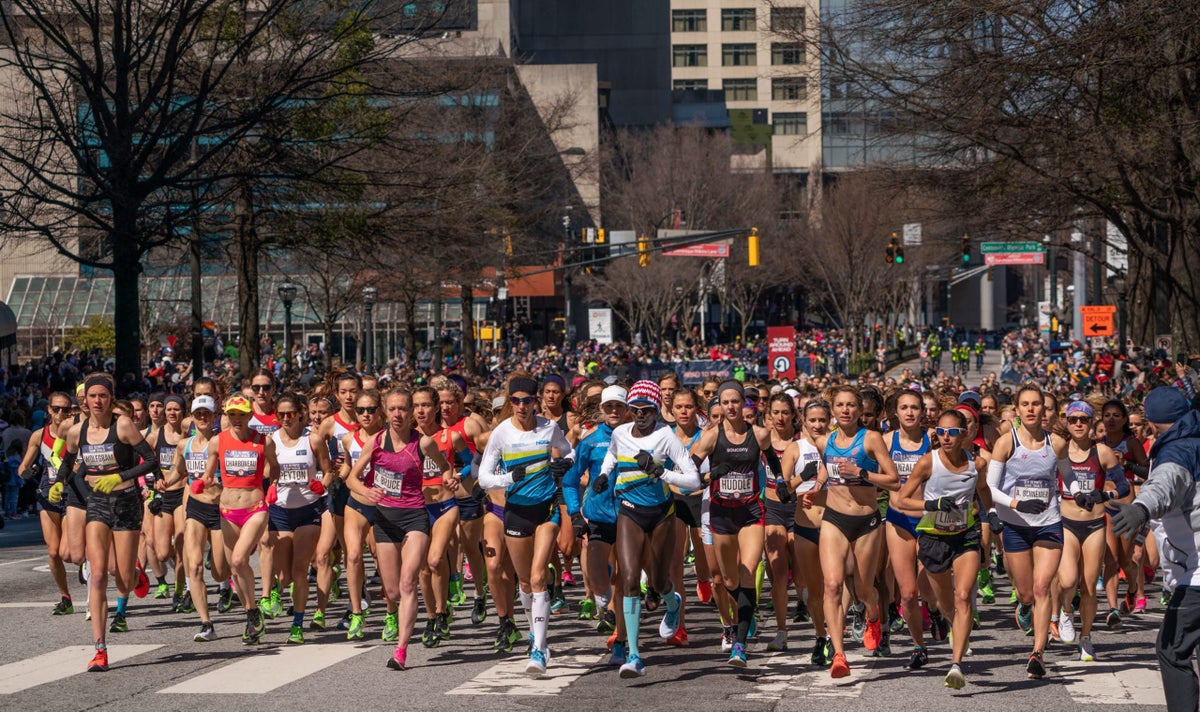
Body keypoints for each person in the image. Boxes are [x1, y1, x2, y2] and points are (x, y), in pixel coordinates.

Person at [589, 380, 701, 677]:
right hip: (629, 512)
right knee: (627, 579)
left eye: (646, 410)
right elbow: (612, 454)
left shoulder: (667, 437)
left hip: (662, 515)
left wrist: (659, 471)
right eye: (635, 409)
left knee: (660, 580)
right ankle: (634, 656)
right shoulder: (620, 433)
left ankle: (671, 602)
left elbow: (693, 480)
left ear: (656, 410)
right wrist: (603, 475)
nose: (640, 415)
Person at [55, 374, 160, 671]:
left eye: (103, 396)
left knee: (122, 579)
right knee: (97, 575)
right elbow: (68, 461)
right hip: (98, 506)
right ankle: (100, 648)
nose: (98, 401)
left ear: (111, 398)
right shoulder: (77, 432)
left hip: (126, 503)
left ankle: (135, 573)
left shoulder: (123, 425)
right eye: (93, 396)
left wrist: (120, 477)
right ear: (85, 400)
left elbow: (151, 461)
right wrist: (59, 483)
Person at [346, 388, 453, 671]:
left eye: (402, 409)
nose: (397, 414)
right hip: (385, 520)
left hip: (414, 519)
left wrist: (449, 480)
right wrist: (367, 492)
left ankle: (401, 651)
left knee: (408, 583)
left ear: (410, 412)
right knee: (393, 592)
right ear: (385, 410)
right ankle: (412, 622)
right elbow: (352, 479)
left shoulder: (424, 443)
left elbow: (445, 468)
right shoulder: (376, 441)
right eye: (392, 409)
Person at [1109, 386, 1200, 712]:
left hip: (1198, 574)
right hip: (1191, 566)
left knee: (1171, 649)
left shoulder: (1178, 450)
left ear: (1150, 422)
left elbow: (1165, 483)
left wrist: (1142, 508)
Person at [478, 374, 575, 675]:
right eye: (516, 401)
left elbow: (569, 451)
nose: (521, 406)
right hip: (516, 512)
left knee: (537, 578)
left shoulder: (549, 429)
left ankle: (539, 649)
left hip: (546, 510)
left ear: (535, 402)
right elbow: (484, 477)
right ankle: (535, 632)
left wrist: (564, 463)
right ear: (510, 402)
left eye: (527, 400)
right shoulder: (501, 433)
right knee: (523, 582)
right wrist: (509, 478)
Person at [689, 380, 787, 668]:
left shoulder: (759, 434)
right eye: (725, 402)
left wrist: (780, 481)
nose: (731, 407)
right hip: (720, 514)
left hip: (751, 513)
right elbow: (689, 469)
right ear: (719, 404)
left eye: (736, 401)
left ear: (744, 403)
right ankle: (747, 609)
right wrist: (709, 477)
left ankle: (740, 644)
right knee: (729, 581)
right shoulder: (710, 437)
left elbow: (772, 461)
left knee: (748, 571)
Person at [808, 385, 900, 678]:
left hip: (866, 522)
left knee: (862, 589)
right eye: (840, 405)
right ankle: (839, 655)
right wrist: (818, 487)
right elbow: (827, 466)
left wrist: (861, 473)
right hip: (834, 519)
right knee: (832, 585)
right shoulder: (826, 441)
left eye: (851, 405)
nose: (845, 410)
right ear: (832, 410)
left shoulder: (870, 439)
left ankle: (873, 615)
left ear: (860, 411)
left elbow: (894, 480)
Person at [894, 409, 987, 689]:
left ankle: (956, 664)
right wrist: (931, 505)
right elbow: (901, 500)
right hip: (934, 538)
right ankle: (952, 626)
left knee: (963, 597)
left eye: (952, 432)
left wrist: (990, 512)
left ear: (964, 434)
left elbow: (982, 491)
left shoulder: (977, 464)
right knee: (946, 605)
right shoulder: (928, 463)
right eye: (941, 432)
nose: (946, 437)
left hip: (965, 535)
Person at [986, 383, 1069, 679]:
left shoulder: (1056, 443)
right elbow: (990, 488)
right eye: (1026, 404)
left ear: (1045, 410)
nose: (1032, 409)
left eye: (1038, 404)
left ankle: (1038, 653)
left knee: (1042, 587)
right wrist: (1018, 502)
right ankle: (1024, 608)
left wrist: (1083, 495)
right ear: (1018, 410)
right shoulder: (1006, 443)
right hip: (1016, 526)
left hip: (1049, 523)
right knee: (1025, 592)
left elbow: (1069, 479)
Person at [199, 393, 278, 646]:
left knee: (238, 558)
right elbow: (209, 474)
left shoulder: (263, 441)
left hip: (255, 507)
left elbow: (274, 466)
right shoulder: (217, 442)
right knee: (234, 569)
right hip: (227, 510)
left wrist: (273, 484)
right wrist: (202, 482)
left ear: (249, 416)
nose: (236, 419)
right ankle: (251, 615)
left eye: (241, 415)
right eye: (232, 415)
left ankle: (253, 612)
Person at [1055, 400, 1127, 662]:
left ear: (1090, 423)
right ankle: (1064, 611)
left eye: (1083, 420)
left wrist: (1105, 493)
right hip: (1066, 522)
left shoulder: (1103, 452)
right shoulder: (1059, 451)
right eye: (1072, 419)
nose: (1077, 424)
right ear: (1066, 422)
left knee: (1088, 586)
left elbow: (1124, 487)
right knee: (1067, 580)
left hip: (1095, 524)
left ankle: (1085, 638)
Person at [268, 392, 335, 643]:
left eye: (291, 414)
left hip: (308, 509)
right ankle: (275, 590)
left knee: (299, 568)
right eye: (281, 414)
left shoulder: (314, 440)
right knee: (283, 575)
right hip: (280, 510)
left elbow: (328, 471)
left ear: (300, 414)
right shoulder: (271, 440)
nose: (286, 419)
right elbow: (267, 471)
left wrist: (321, 484)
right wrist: (271, 484)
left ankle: (297, 624)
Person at [18, 391, 75, 615]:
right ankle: (65, 597)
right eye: (57, 409)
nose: (61, 413)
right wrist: (27, 472)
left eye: (66, 409)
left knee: (69, 553)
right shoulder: (38, 435)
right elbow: (22, 468)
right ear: (49, 410)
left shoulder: (77, 433)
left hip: (72, 494)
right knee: (53, 553)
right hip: (47, 493)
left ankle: (86, 569)